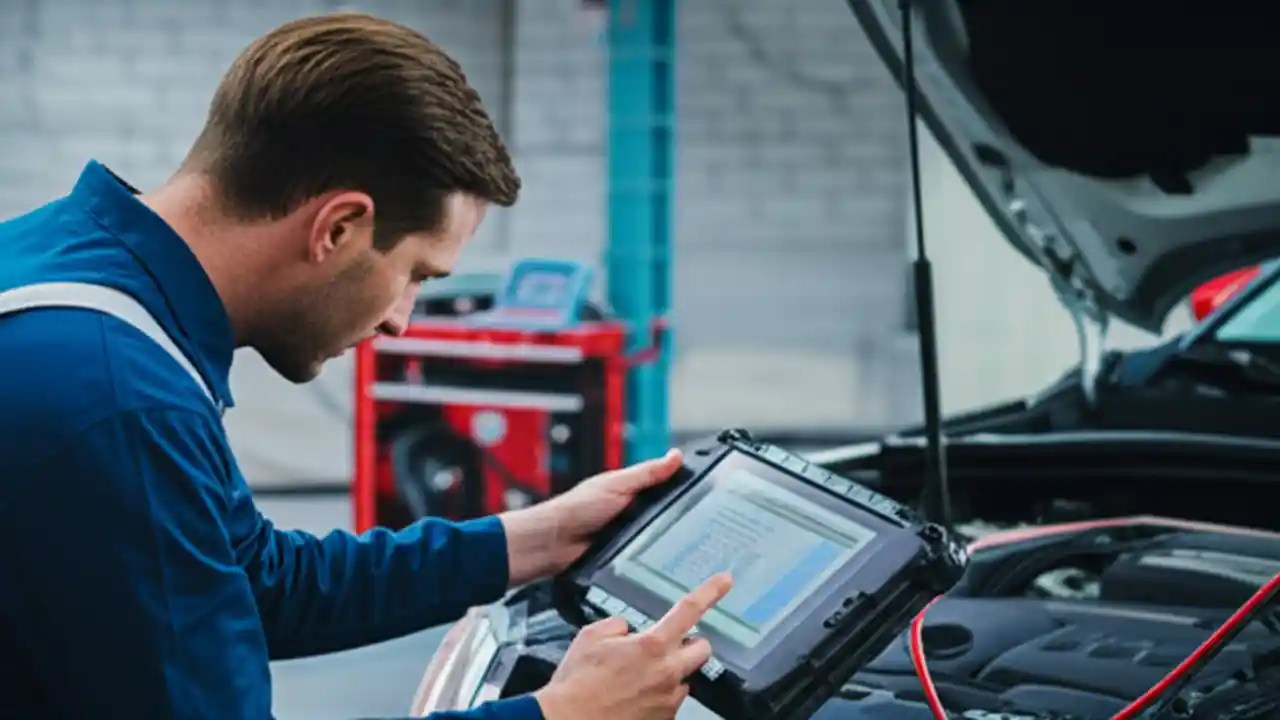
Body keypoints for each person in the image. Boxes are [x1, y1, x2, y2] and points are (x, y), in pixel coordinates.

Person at [0, 12, 732, 720]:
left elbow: (249, 580)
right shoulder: (120, 403)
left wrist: (539, 538)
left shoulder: (55, 263)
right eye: (417, 273)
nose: (400, 320)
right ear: (339, 228)